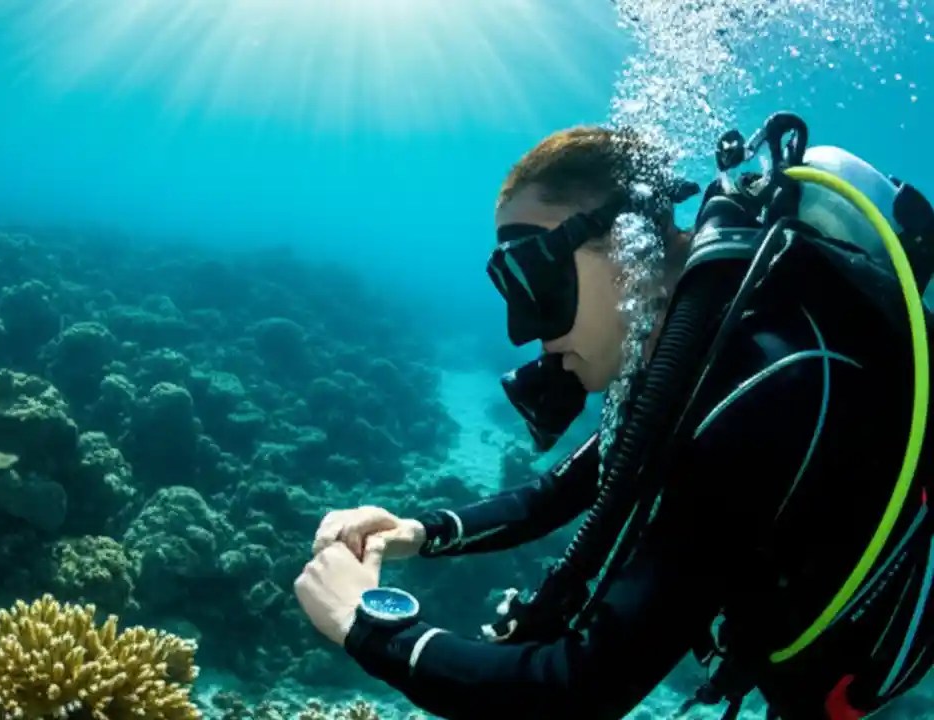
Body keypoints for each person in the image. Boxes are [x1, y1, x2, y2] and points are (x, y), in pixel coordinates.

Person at [293, 115, 934, 720]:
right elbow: (557, 494)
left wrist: (364, 624)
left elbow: (580, 691)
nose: (525, 332)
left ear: (629, 247)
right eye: (511, 291)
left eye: (535, 283)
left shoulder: (760, 392)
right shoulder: (690, 359)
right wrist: (417, 530)